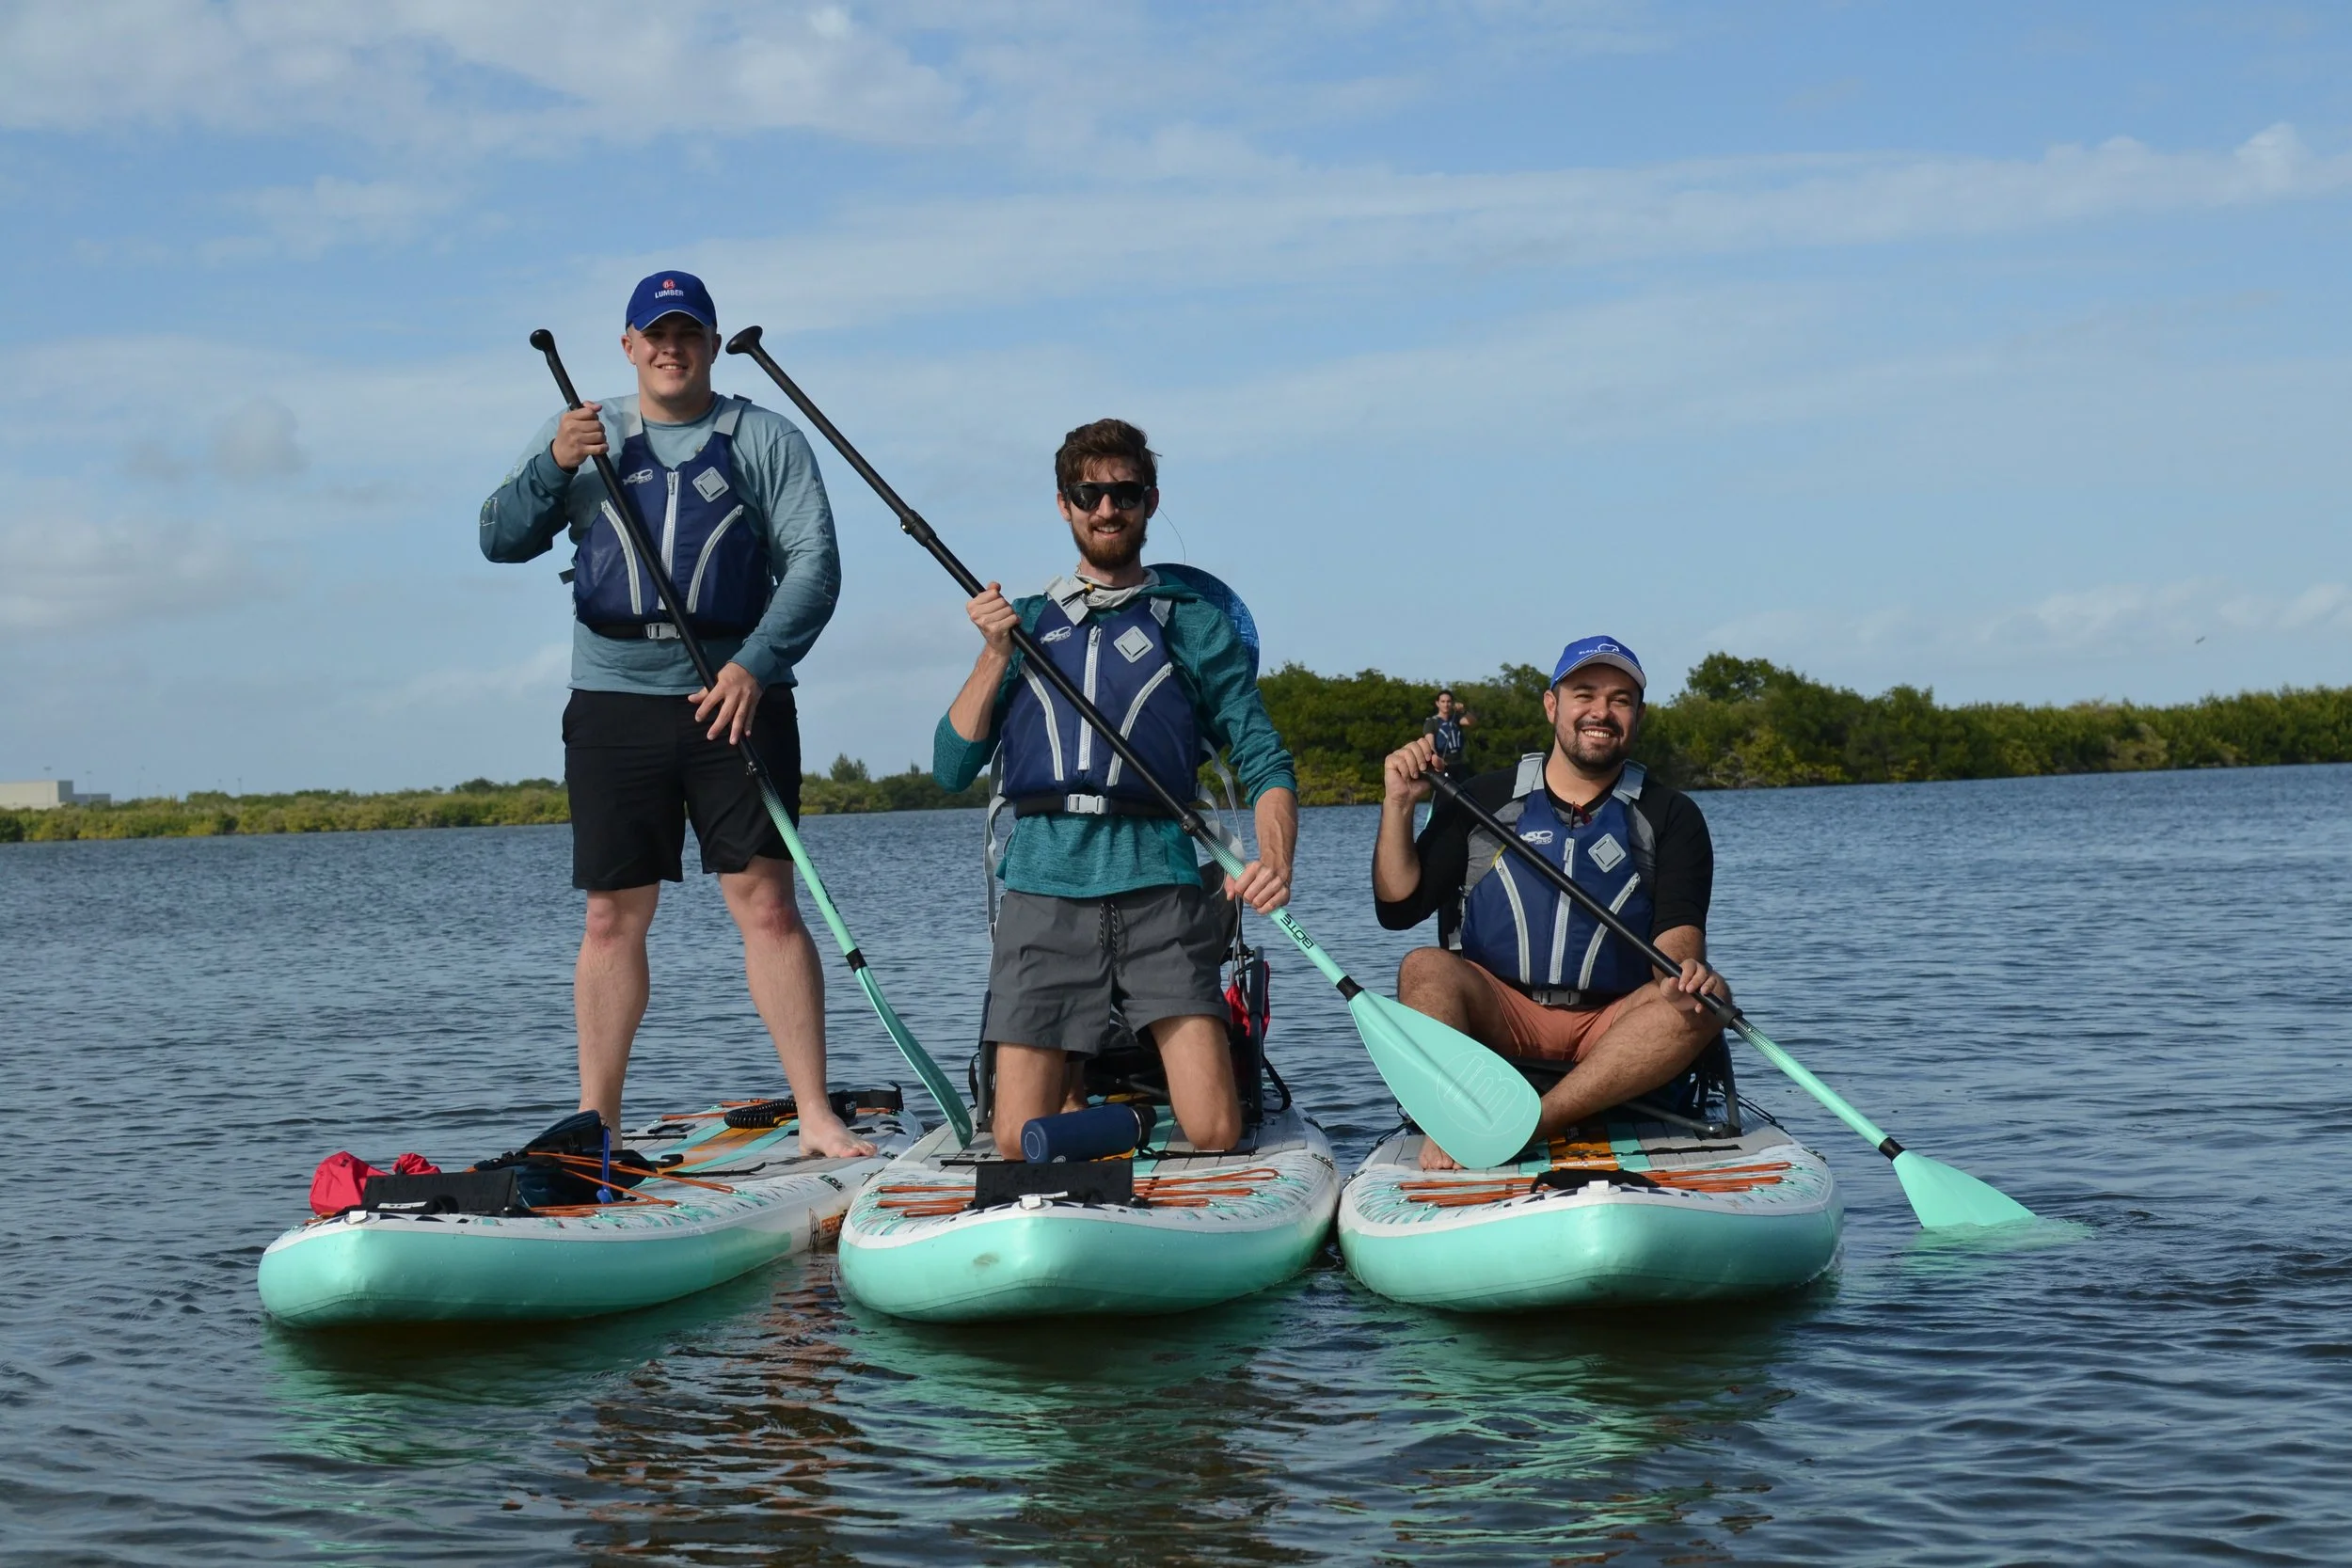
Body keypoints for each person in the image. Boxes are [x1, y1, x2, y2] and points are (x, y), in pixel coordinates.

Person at [477, 270, 872, 1157]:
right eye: (654, 333)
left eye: (687, 332)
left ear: (709, 341)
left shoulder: (765, 439)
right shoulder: (581, 433)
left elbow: (816, 566)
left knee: (767, 905)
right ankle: (600, 1126)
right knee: (612, 916)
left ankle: (813, 1113)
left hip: (737, 697)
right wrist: (552, 468)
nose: (670, 347)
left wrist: (755, 667)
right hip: (614, 702)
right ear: (627, 346)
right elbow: (498, 536)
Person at [935, 419, 1298, 1157]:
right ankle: (1083, 1093)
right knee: (1014, 1139)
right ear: (1065, 505)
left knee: (1216, 1130)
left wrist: (1275, 856)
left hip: (1159, 888)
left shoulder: (1193, 626)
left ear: (1150, 501)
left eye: (1123, 493)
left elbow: (1264, 759)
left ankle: (1126, 1113)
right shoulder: (1025, 624)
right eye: (1089, 493)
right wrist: (992, 653)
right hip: (1043, 884)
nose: (1107, 508)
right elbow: (950, 765)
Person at [1373, 636, 1728, 1169]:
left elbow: (1677, 937)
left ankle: (1530, 1123)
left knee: (1706, 994)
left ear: (1639, 714)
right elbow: (1397, 909)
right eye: (1584, 694)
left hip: (1613, 1025)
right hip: (1503, 1015)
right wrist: (1398, 806)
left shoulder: (1671, 815)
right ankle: (1453, 1111)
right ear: (1551, 705)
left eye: (1620, 699)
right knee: (1424, 966)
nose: (1601, 713)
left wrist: (1684, 979)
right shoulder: (1483, 798)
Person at [1423, 689, 1474, 778]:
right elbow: (1430, 745)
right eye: (1443, 701)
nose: (1446, 704)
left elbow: (1471, 722)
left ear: (1452, 703)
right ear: (1437, 703)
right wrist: (1437, 762)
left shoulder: (1456, 718)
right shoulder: (1431, 722)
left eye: (1448, 702)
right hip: (1444, 763)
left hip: (1459, 763)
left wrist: (1463, 711)